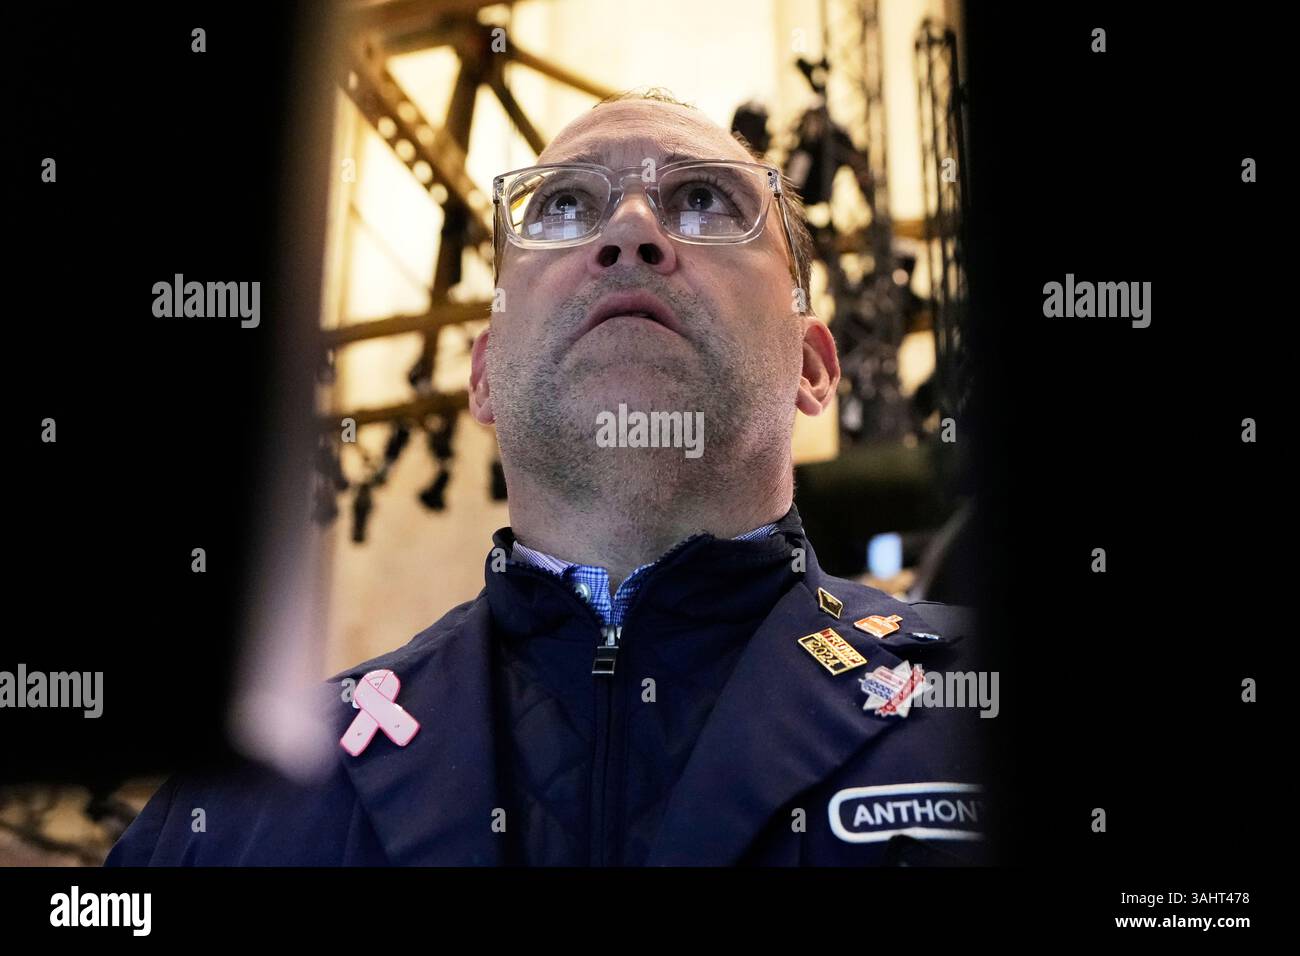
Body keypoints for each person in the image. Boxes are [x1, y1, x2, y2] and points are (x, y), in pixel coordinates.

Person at [106, 90, 991, 867]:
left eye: (703, 201)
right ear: (484, 375)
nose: (631, 230)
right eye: (565, 205)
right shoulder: (231, 810)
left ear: (811, 366)